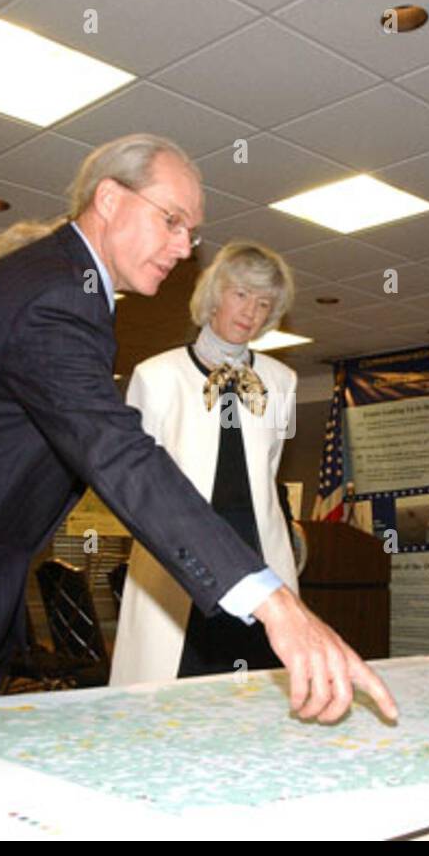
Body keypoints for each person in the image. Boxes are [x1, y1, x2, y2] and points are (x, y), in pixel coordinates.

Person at [0, 134, 395, 723]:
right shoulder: (54, 296)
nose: (184, 247)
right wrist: (275, 603)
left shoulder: (62, 283)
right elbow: (120, 454)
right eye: (171, 221)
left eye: (191, 231)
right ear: (108, 199)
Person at [110, 241, 299, 684]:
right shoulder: (156, 377)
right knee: (171, 689)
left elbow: (269, 474)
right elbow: (137, 487)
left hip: (258, 562)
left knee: (262, 691)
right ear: (214, 295)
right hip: (180, 563)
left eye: (264, 303)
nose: (250, 311)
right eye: (240, 295)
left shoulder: (283, 381)